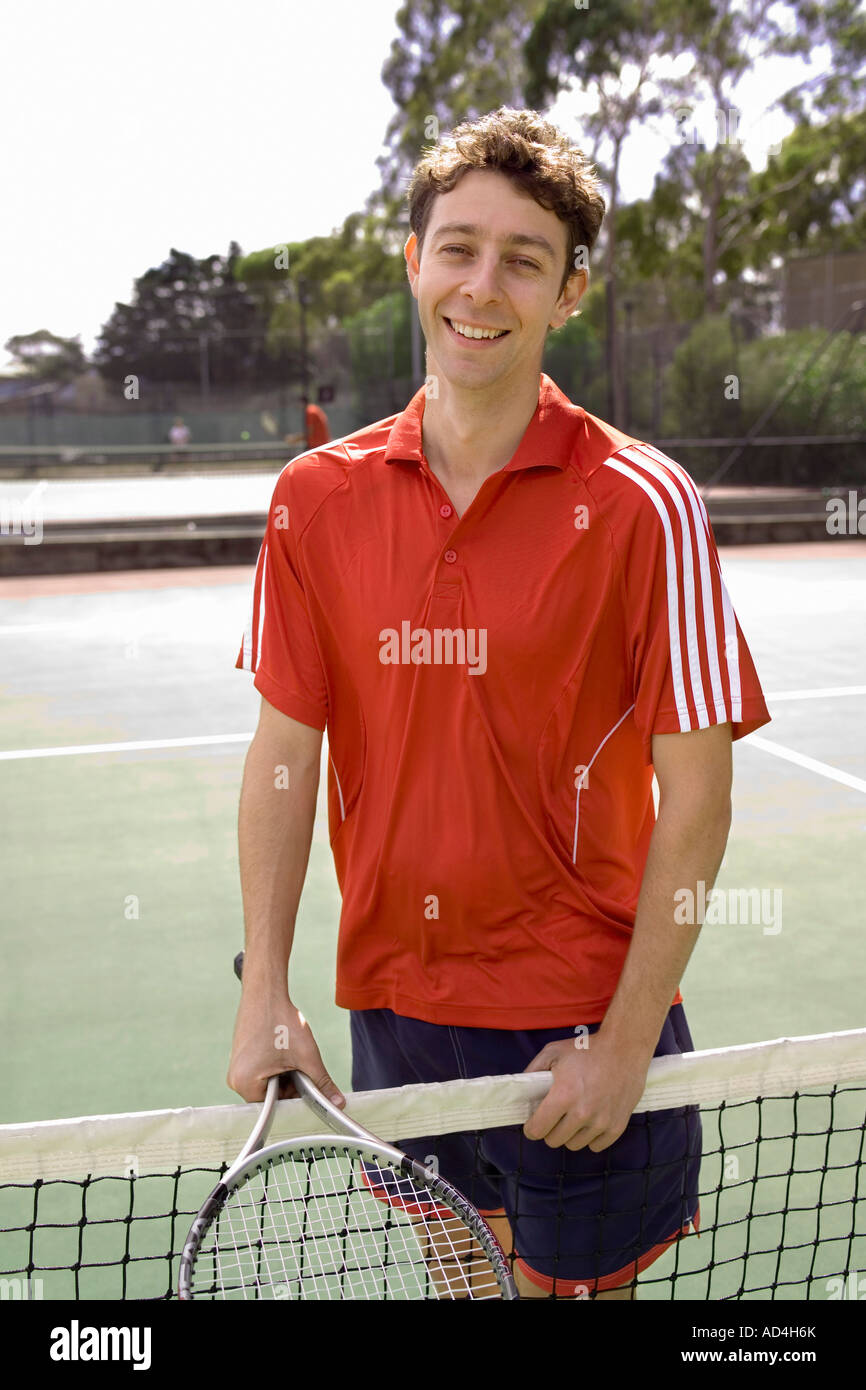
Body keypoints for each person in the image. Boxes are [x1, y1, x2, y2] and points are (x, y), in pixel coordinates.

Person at [230, 107, 772, 1299]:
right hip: (399, 1016)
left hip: (575, 1023)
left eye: (523, 259)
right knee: (463, 1288)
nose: (482, 285)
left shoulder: (647, 505)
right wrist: (265, 989)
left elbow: (699, 798)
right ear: (412, 263)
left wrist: (624, 1044)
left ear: (567, 291)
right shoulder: (311, 499)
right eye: (457, 248)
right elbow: (282, 753)